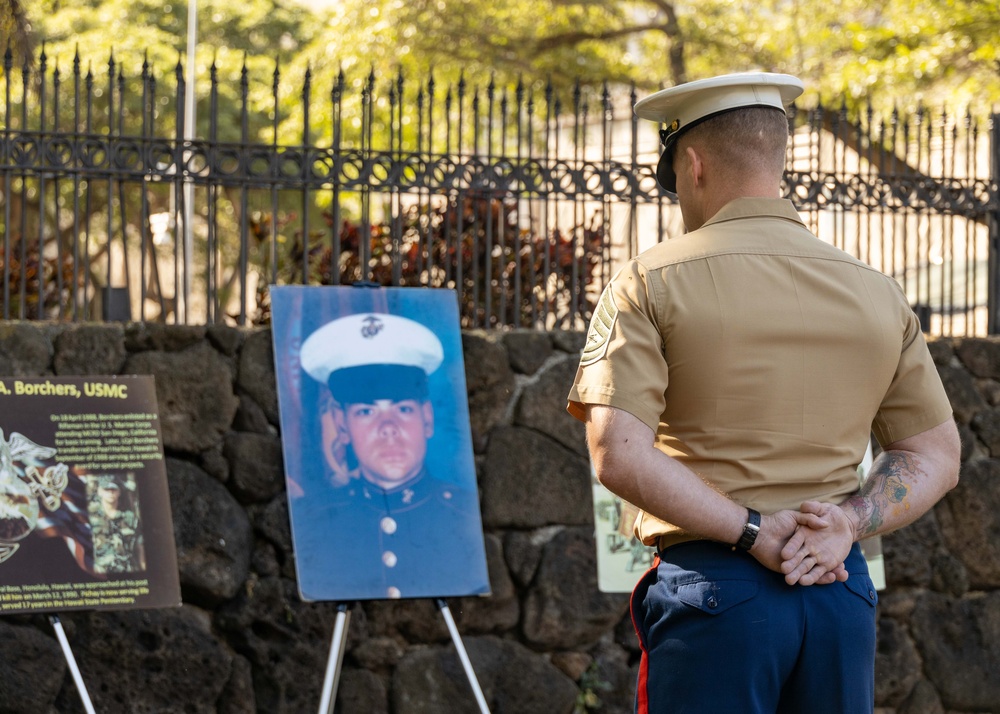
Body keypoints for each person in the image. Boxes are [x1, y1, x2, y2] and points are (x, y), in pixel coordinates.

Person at [567, 72, 961, 713]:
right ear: (778, 159)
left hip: (717, 593)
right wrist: (847, 523)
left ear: (692, 165)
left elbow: (618, 452)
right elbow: (935, 455)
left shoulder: (650, 279)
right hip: (837, 584)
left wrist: (754, 531)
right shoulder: (877, 291)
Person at [292, 311, 489, 602]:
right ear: (342, 424)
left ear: (427, 418)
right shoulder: (319, 521)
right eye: (366, 412)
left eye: (403, 409)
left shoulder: (463, 517)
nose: (388, 429)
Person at [90, 475, 144, 574]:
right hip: (100, 574)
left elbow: (140, 549)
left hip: (128, 573)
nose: (110, 492)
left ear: (119, 492)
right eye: (106, 489)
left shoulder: (130, 518)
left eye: (114, 489)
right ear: (99, 491)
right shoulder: (91, 519)